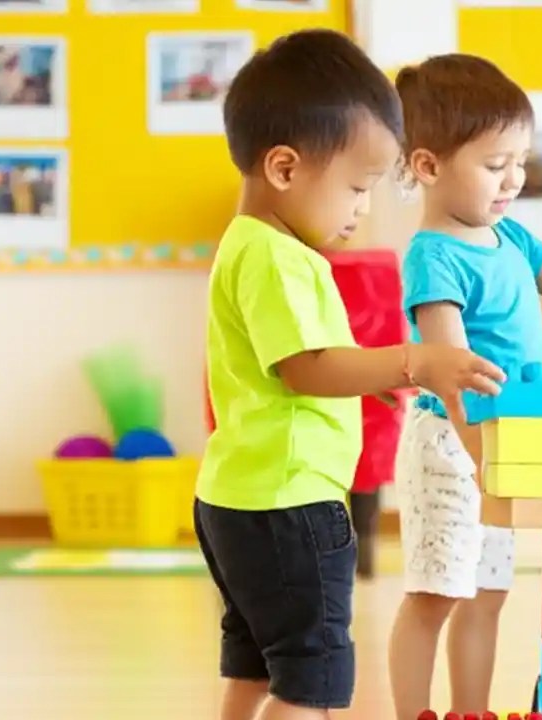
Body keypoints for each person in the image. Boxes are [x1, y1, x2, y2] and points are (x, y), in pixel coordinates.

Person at [196, 30, 506, 720]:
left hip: (238, 496)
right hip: (289, 501)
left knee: (256, 662)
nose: (362, 209)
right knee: (313, 678)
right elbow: (307, 368)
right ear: (284, 168)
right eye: (357, 188)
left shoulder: (247, 243)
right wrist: (413, 359)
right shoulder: (280, 257)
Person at [387, 54, 542, 720]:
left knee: (489, 592)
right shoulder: (434, 256)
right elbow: (452, 368)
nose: (514, 179)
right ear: (429, 166)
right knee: (437, 592)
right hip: (452, 443)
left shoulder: (511, 236)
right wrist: (478, 455)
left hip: (508, 441)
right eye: (496, 165)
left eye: (521, 161)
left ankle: (472, 709)